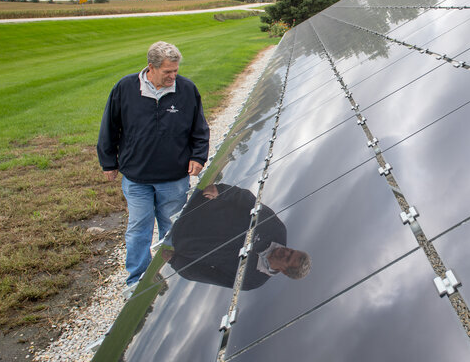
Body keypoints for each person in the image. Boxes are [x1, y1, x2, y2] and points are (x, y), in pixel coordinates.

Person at [97, 41, 210, 287]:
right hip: (136, 178)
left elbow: (199, 129)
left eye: (176, 71)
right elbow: (110, 126)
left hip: (173, 179)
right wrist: (108, 162)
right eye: (167, 72)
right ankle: (137, 281)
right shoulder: (125, 88)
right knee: (139, 227)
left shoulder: (187, 90)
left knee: (174, 228)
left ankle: (176, 275)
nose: (173, 76)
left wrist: (198, 156)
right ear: (151, 67)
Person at [168, 183, 310, 290]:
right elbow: (247, 199)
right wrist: (221, 190)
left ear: (284, 271)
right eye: (291, 251)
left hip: (176, 237)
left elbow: (207, 275)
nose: (286, 252)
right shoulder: (277, 229)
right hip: (194, 202)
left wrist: (175, 261)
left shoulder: (252, 280)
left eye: (288, 258)